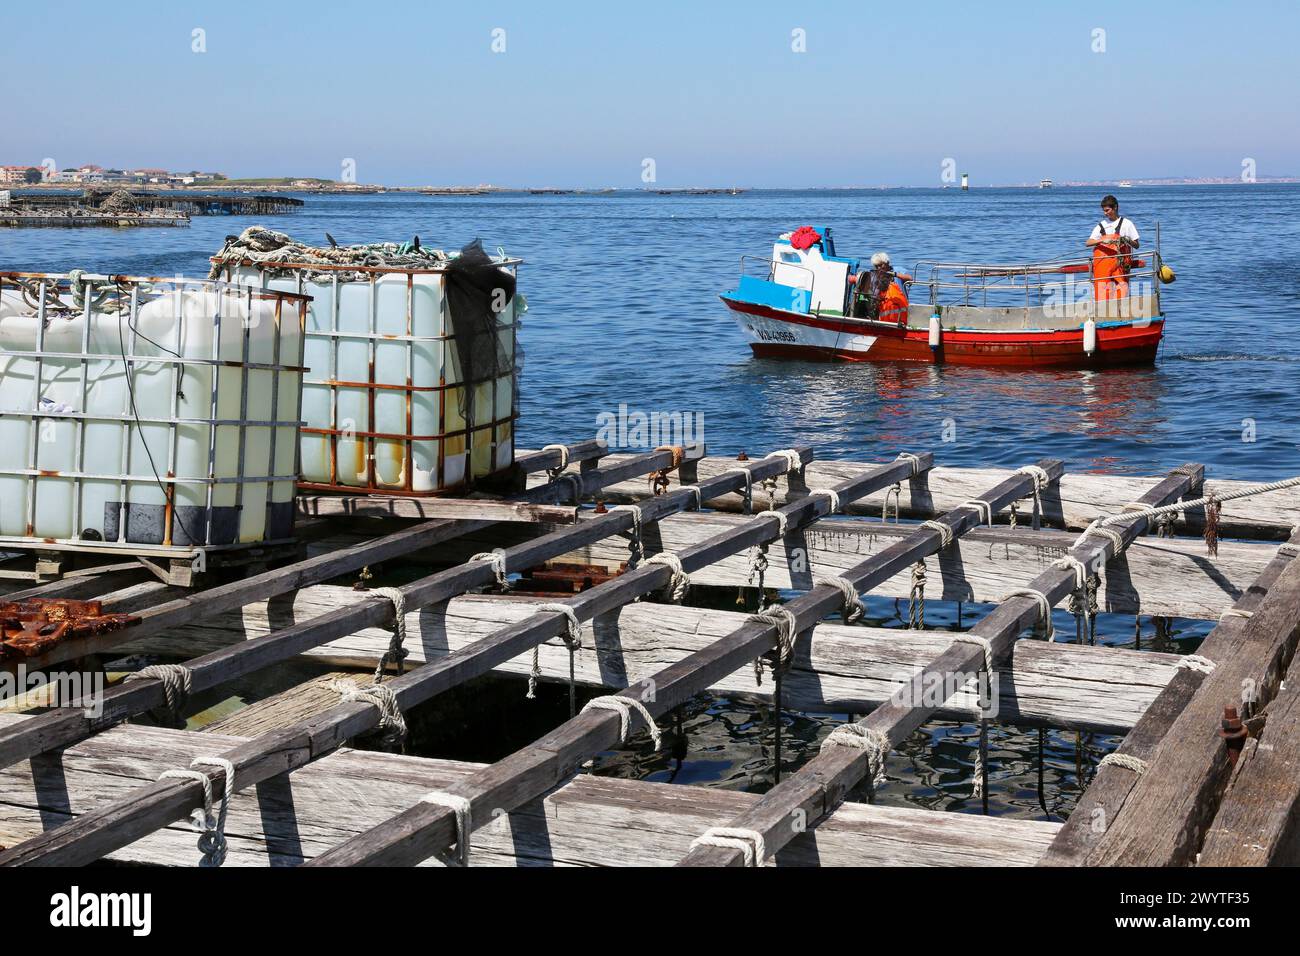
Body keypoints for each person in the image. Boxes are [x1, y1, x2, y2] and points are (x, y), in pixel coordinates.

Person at [1087, 195, 1140, 303]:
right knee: (1102, 293)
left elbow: (1136, 245)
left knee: (1122, 289)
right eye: (1104, 211)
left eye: (1107, 210)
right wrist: (1101, 240)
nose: (1105, 213)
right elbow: (1088, 242)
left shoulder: (1127, 224)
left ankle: (1122, 311)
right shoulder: (1101, 226)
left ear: (1115, 207)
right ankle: (1102, 312)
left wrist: (1126, 239)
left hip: (1120, 265)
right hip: (1103, 266)